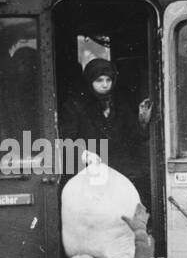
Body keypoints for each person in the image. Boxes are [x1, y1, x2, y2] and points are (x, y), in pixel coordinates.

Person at [58, 57, 153, 205]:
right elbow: (66, 141)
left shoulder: (120, 102)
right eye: (99, 80)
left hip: (119, 167)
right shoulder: (74, 106)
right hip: (88, 169)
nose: (104, 85)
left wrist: (142, 120)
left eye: (108, 80)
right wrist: (85, 154)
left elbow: (133, 138)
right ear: (89, 81)